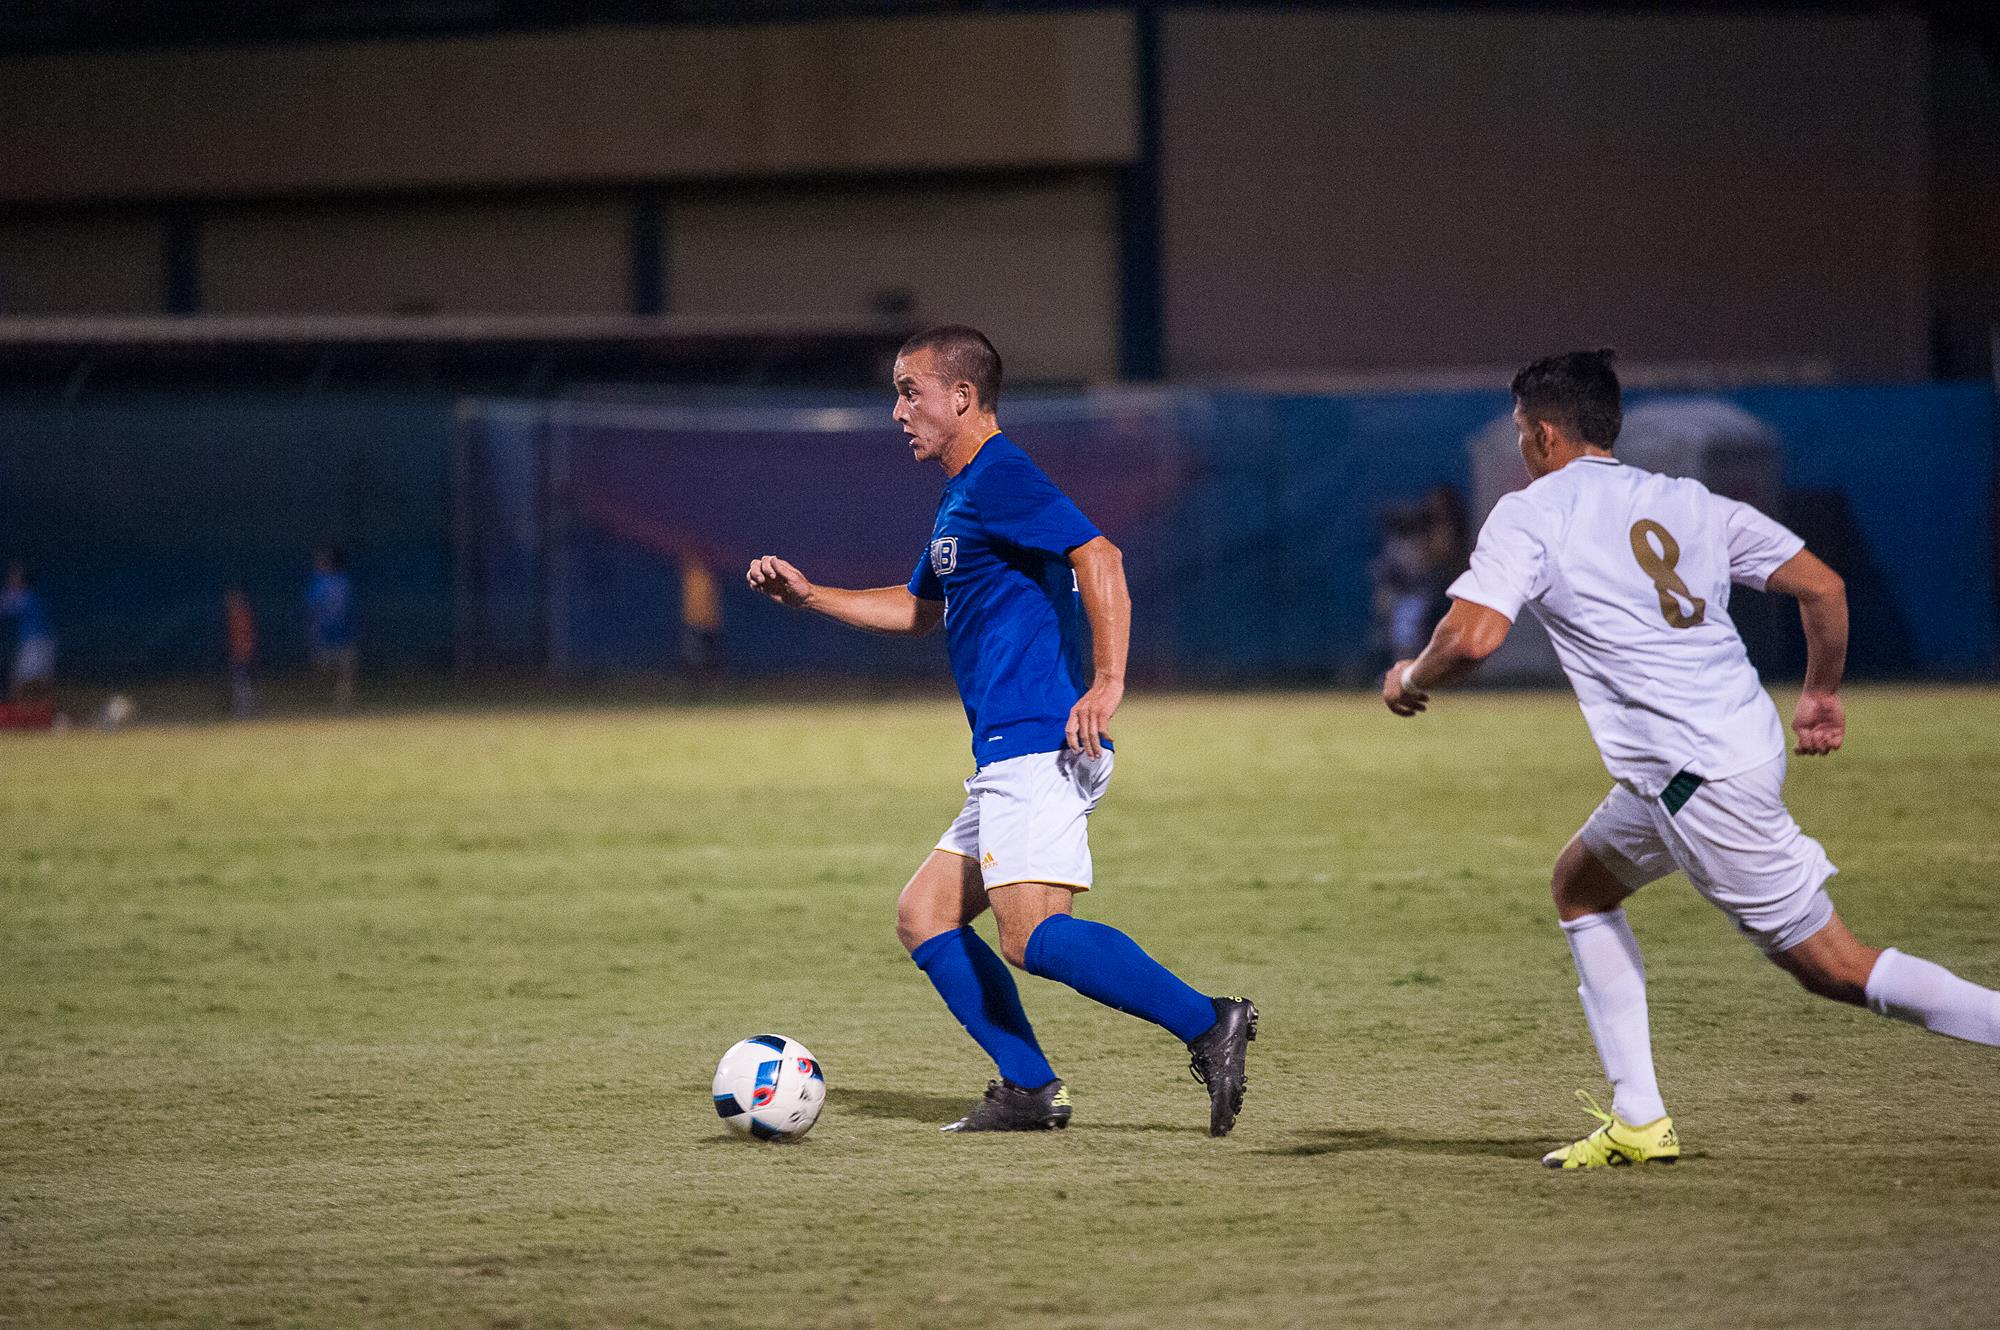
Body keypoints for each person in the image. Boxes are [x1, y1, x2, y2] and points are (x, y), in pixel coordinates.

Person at [1383, 349, 1999, 1167]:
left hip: (1697, 778)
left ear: (1539, 434)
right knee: (1580, 884)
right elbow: (1824, 588)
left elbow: (1473, 637)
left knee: (1835, 968)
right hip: (1721, 749)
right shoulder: (1686, 502)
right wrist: (1820, 694)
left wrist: (1410, 676)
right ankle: (1639, 1118)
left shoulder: (1535, 511)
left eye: (1524, 430)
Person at [747, 325, 1257, 1136]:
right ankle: (1028, 1087)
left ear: (963, 396)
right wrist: (812, 596)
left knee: (1031, 936)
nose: (897, 410)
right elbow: (921, 608)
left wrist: (1110, 680)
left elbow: (1101, 557)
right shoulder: (961, 496)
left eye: (910, 391)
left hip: (1038, 746)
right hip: (1005, 755)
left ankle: (1209, 1022)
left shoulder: (1001, 475)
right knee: (925, 916)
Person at [307, 547, 355, 710]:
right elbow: (313, 608)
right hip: (327, 632)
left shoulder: (339, 581)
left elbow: (347, 606)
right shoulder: (319, 582)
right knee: (326, 668)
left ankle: (342, 701)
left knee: (344, 668)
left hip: (340, 631)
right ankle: (331, 697)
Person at [2, 561, 56, 703]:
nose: (11, 580)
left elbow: (5, 608)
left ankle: (16, 714)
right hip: (44, 640)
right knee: (41, 680)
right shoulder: (28, 597)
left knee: (20, 679)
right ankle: (44, 712)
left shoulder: (24, 596)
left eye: (15, 577)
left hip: (35, 641)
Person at [224, 584, 258, 717]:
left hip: (242, 653)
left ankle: (245, 709)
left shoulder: (240, 615)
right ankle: (243, 708)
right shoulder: (237, 615)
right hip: (240, 652)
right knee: (240, 682)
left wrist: (243, 651)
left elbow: (245, 635)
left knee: (242, 682)